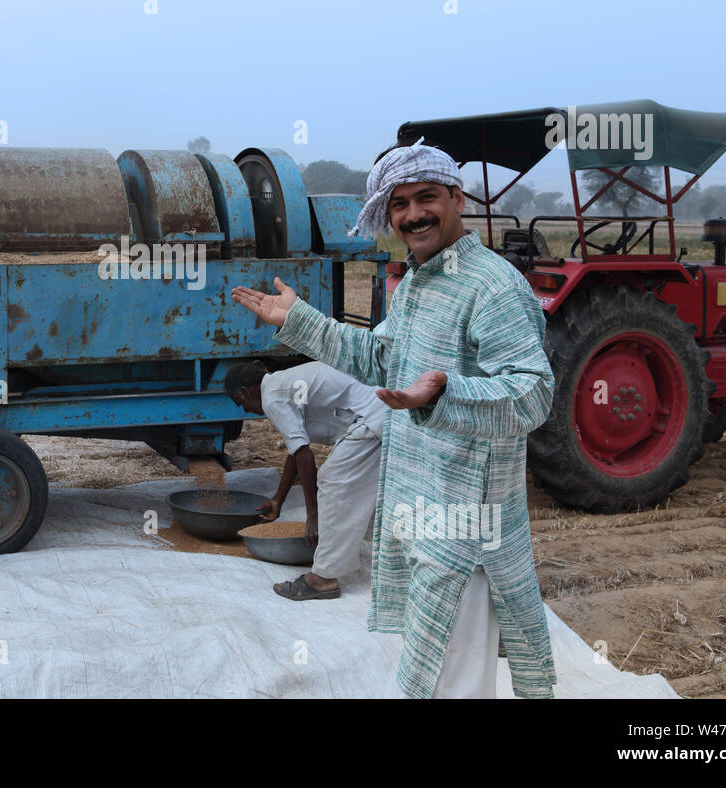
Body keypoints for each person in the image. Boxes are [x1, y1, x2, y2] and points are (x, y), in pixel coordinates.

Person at [230, 140, 556, 699]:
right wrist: (302, 322)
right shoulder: (419, 281)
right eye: (398, 204)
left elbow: (532, 395)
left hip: (465, 525)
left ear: (457, 198)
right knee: (435, 669)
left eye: (425, 198)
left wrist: (444, 394)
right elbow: (381, 359)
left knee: (451, 678)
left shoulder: (494, 287)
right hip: (424, 509)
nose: (412, 215)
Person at [225, 360, 387, 601]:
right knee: (369, 494)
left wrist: (313, 517)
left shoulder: (272, 397)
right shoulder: (282, 383)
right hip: (379, 416)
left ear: (245, 391)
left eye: (242, 404)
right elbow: (296, 450)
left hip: (369, 421)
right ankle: (388, 563)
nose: (247, 410)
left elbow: (305, 456)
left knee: (333, 482)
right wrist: (278, 498)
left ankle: (323, 579)